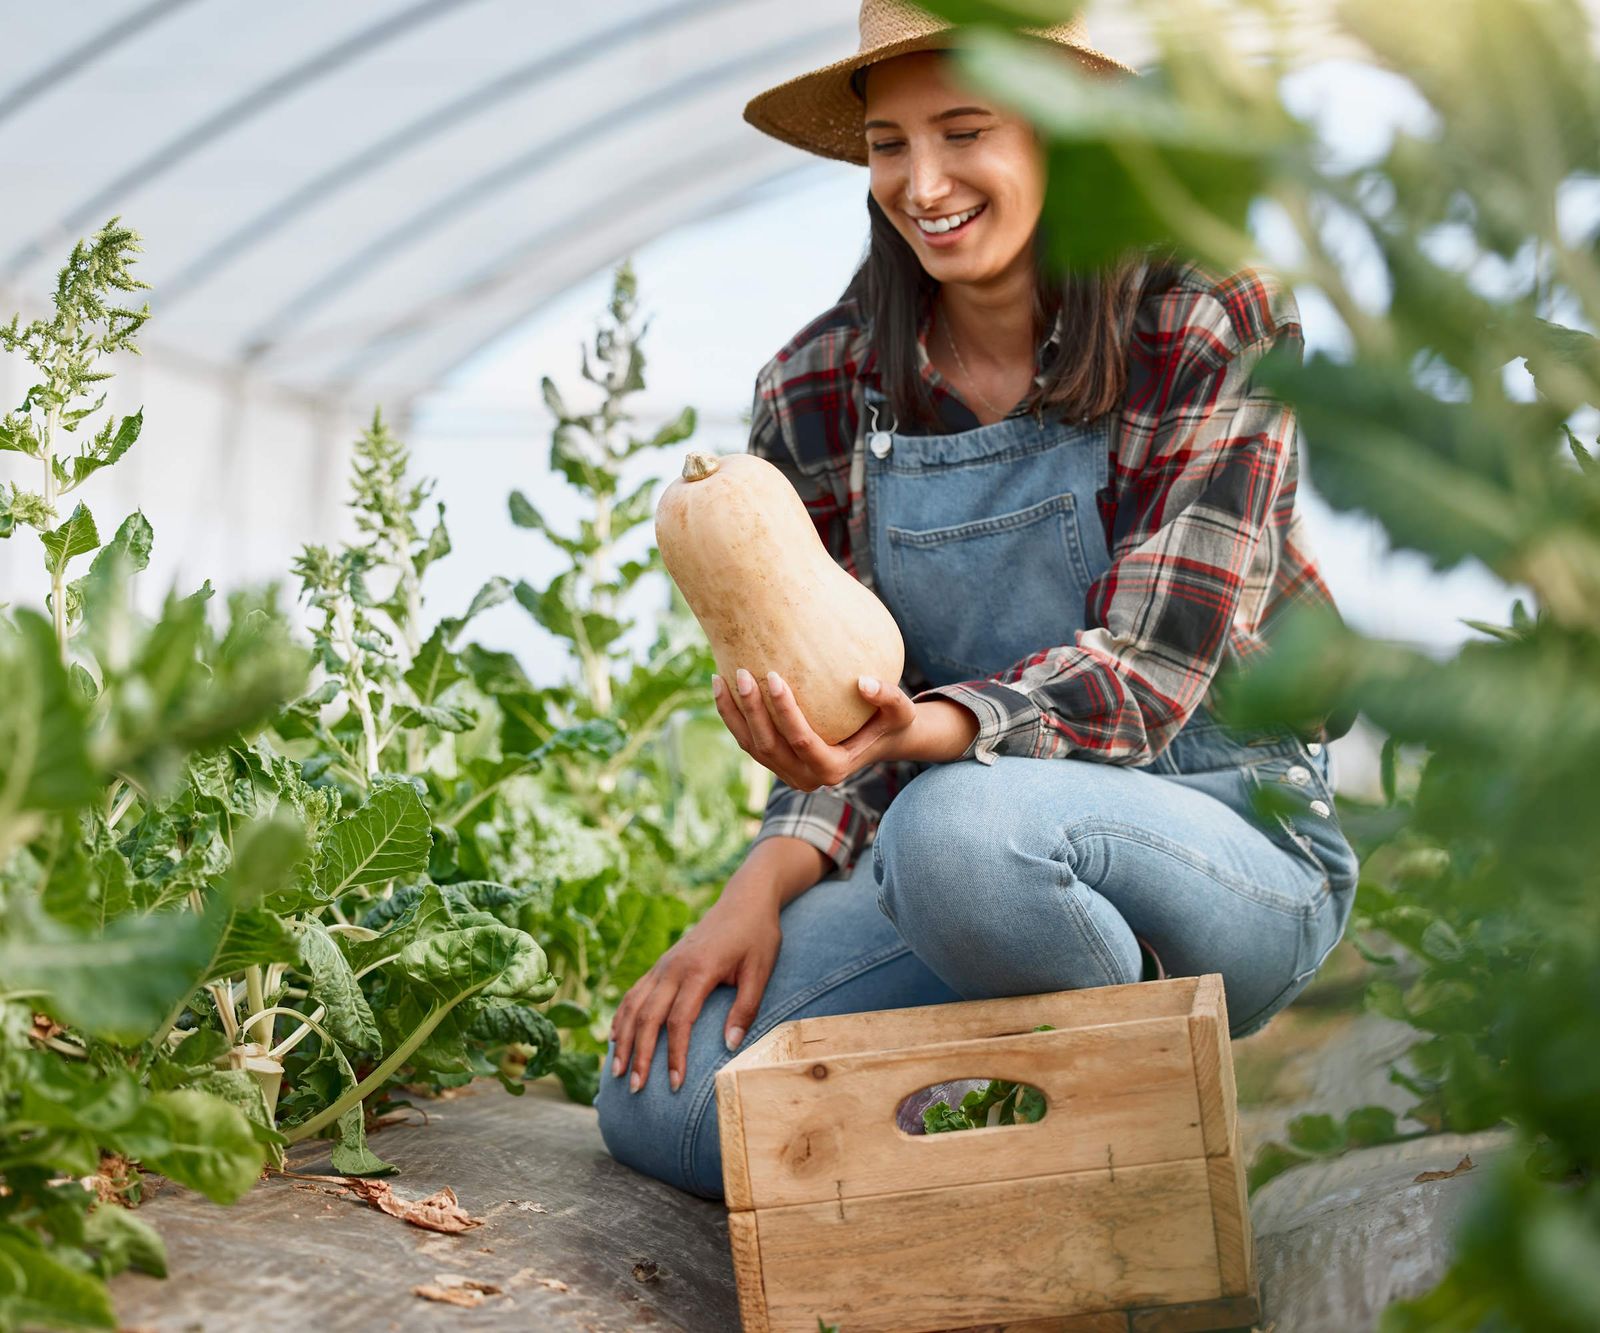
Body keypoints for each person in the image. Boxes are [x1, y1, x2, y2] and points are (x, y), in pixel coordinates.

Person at [595, 0, 1360, 1199]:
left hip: (1224, 834)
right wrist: (760, 882)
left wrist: (930, 730)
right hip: (977, 883)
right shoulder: (819, 383)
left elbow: (1157, 667)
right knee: (668, 1098)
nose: (922, 179)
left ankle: (1113, 1165)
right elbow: (841, 713)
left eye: (964, 131)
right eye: (890, 143)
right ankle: (1001, 1152)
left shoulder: (1207, 316)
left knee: (956, 829)